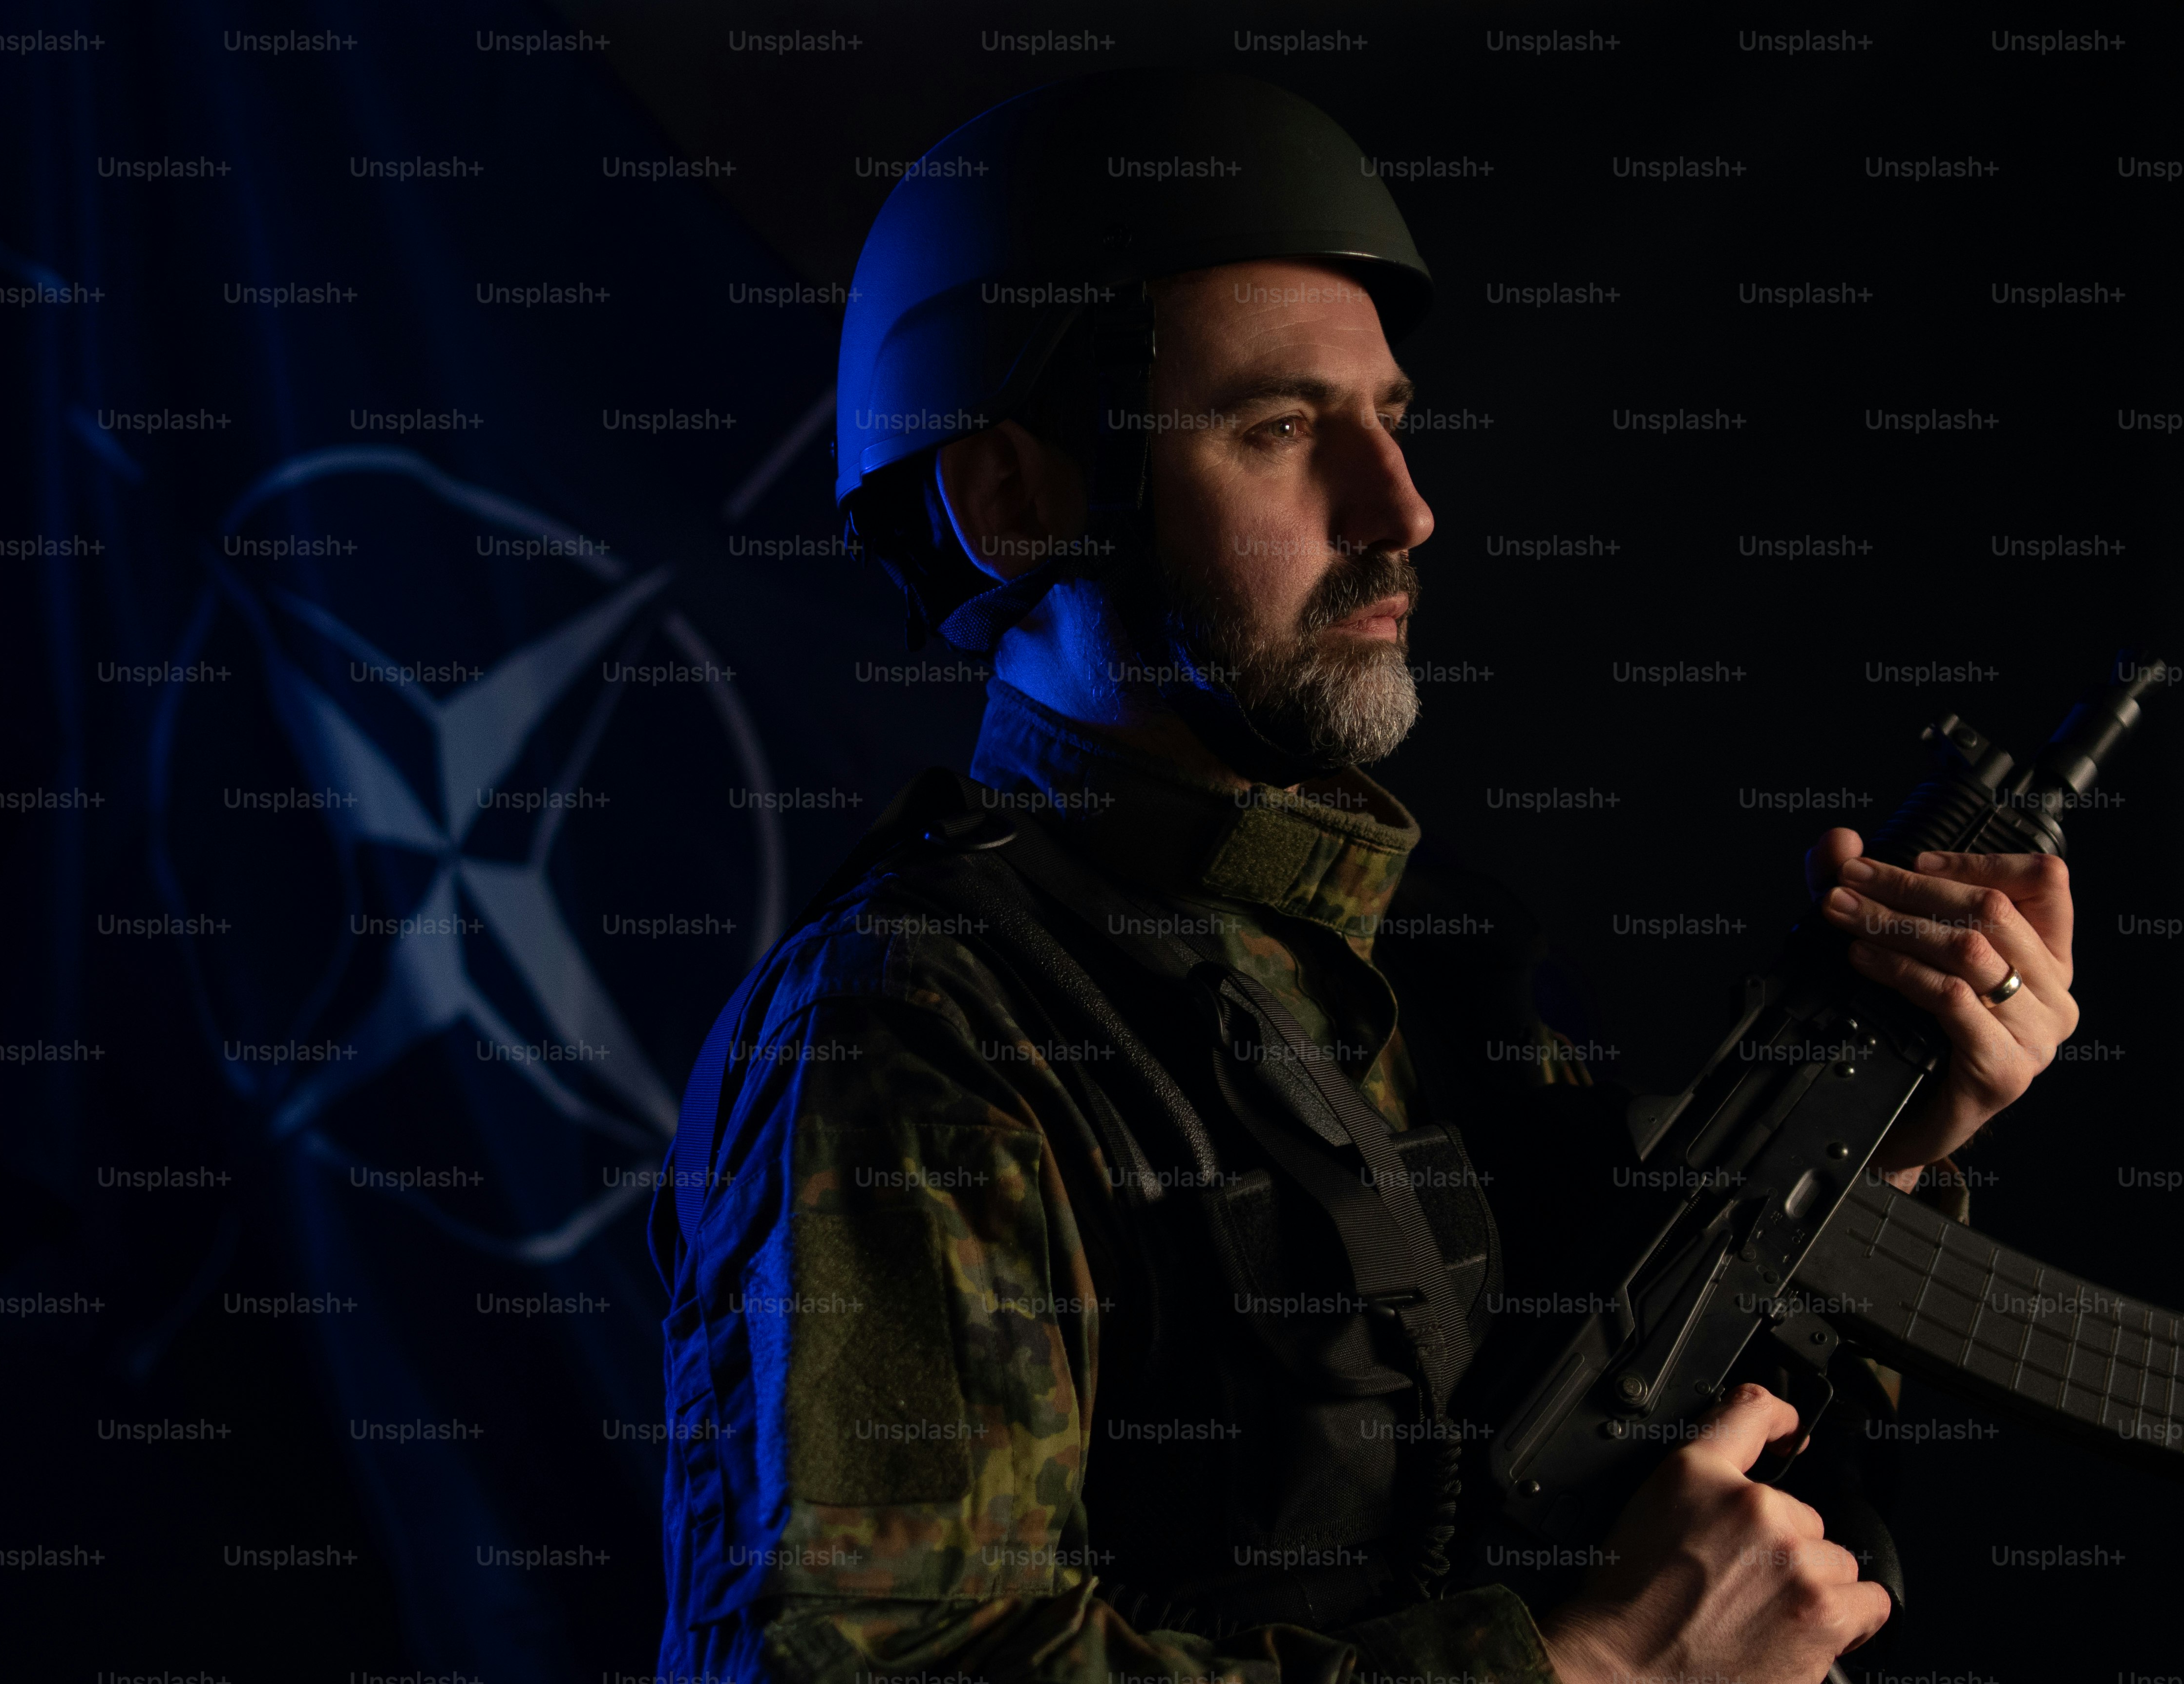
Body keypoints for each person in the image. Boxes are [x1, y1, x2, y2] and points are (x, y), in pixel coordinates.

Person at [651, 69, 2079, 1684]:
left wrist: (1873, 1155)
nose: (1402, 509)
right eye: (1276, 431)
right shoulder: (918, 1032)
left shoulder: (1435, 951)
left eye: (1389, 420)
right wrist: (1586, 1672)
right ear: (1013, 501)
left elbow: (1630, 1461)